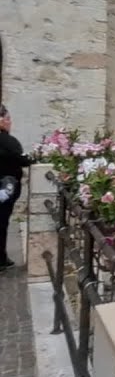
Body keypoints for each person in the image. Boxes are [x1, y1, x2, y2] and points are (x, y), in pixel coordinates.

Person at [0, 105, 33, 270]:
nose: (10, 122)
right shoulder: (7, 141)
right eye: (7, 119)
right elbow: (21, 159)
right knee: (1, 221)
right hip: (3, 189)